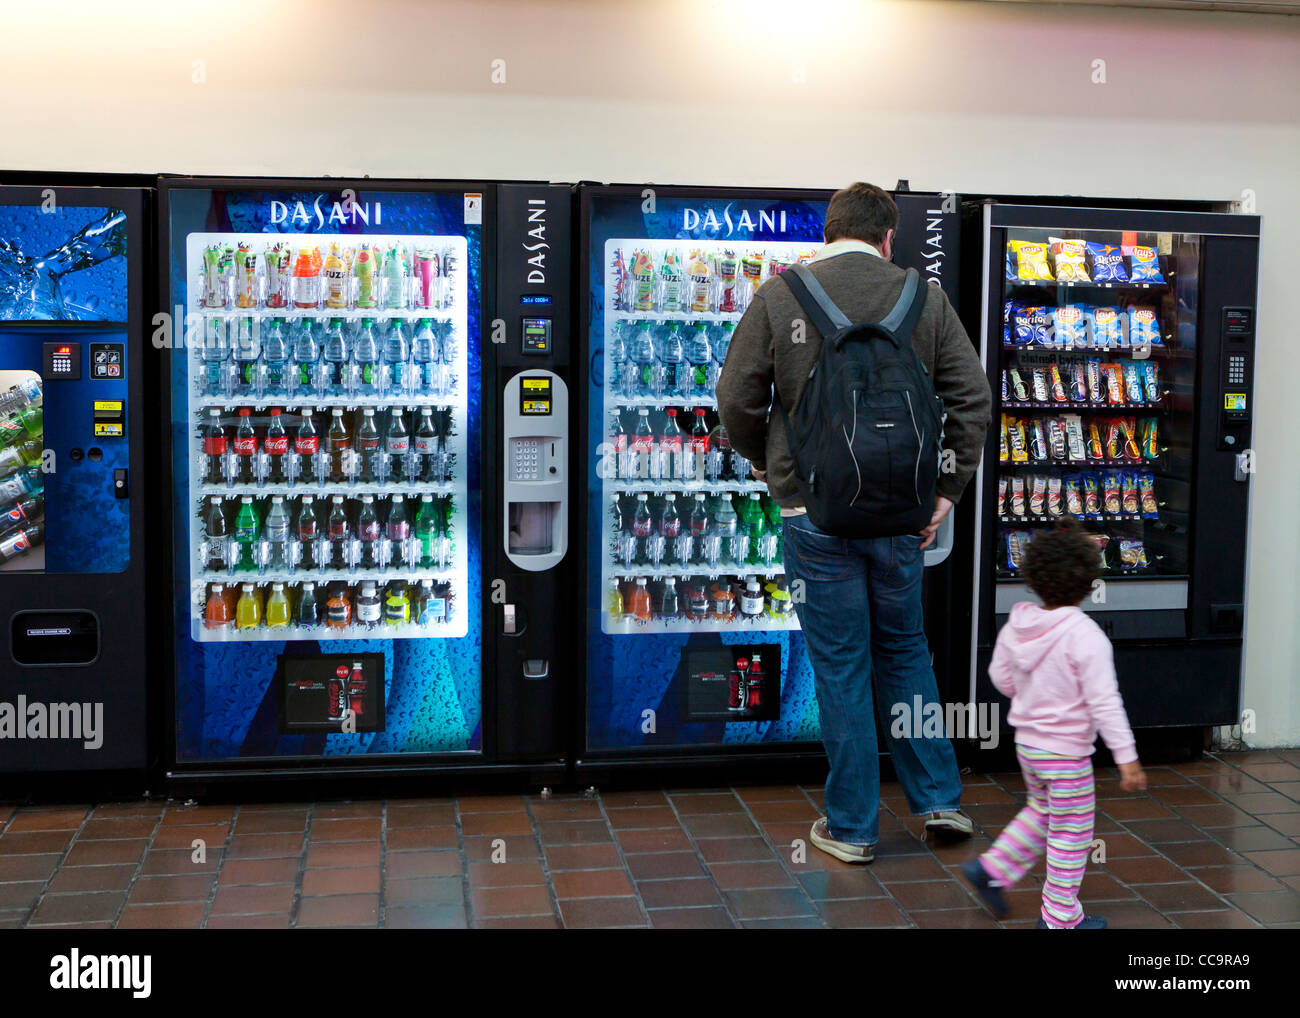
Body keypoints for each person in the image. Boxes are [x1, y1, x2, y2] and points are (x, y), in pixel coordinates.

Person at [716, 182, 991, 863]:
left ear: (829, 230)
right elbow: (972, 397)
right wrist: (947, 490)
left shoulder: (783, 296)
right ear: (887, 237)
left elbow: (735, 397)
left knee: (841, 664)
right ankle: (938, 799)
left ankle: (851, 828)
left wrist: (767, 463)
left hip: (815, 513)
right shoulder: (924, 298)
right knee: (904, 651)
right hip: (901, 513)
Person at [961, 520, 1146, 928]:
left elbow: (1001, 678)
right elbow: (1105, 703)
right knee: (1072, 835)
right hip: (1067, 755)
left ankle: (992, 869)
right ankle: (1061, 918)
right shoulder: (1086, 636)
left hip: (1029, 747)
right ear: (1087, 582)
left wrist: (1033, 695)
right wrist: (1127, 758)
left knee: (1041, 813)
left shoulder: (1019, 624)